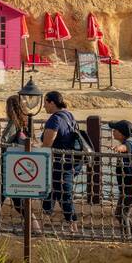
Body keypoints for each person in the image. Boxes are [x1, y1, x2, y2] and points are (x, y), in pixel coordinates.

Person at [0, 95, 42, 233]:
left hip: (12, 165)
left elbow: (3, 140)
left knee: (7, 197)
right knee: (16, 199)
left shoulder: (14, 123)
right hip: (21, 164)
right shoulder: (27, 121)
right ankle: (34, 227)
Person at [40, 90, 82, 232]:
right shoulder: (69, 115)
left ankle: (73, 224)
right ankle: (45, 218)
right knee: (52, 188)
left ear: (52, 102)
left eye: (45, 102)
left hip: (60, 162)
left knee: (63, 192)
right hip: (72, 162)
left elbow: (47, 144)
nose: (44, 106)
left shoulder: (54, 119)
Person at [109, 120, 132, 240]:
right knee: (119, 214)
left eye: (115, 130)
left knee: (122, 214)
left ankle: (127, 238)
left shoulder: (128, 144)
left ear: (121, 134)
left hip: (130, 185)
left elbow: (124, 148)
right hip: (126, 187)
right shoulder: (131, 144)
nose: (113, 132)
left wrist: (117, 148)